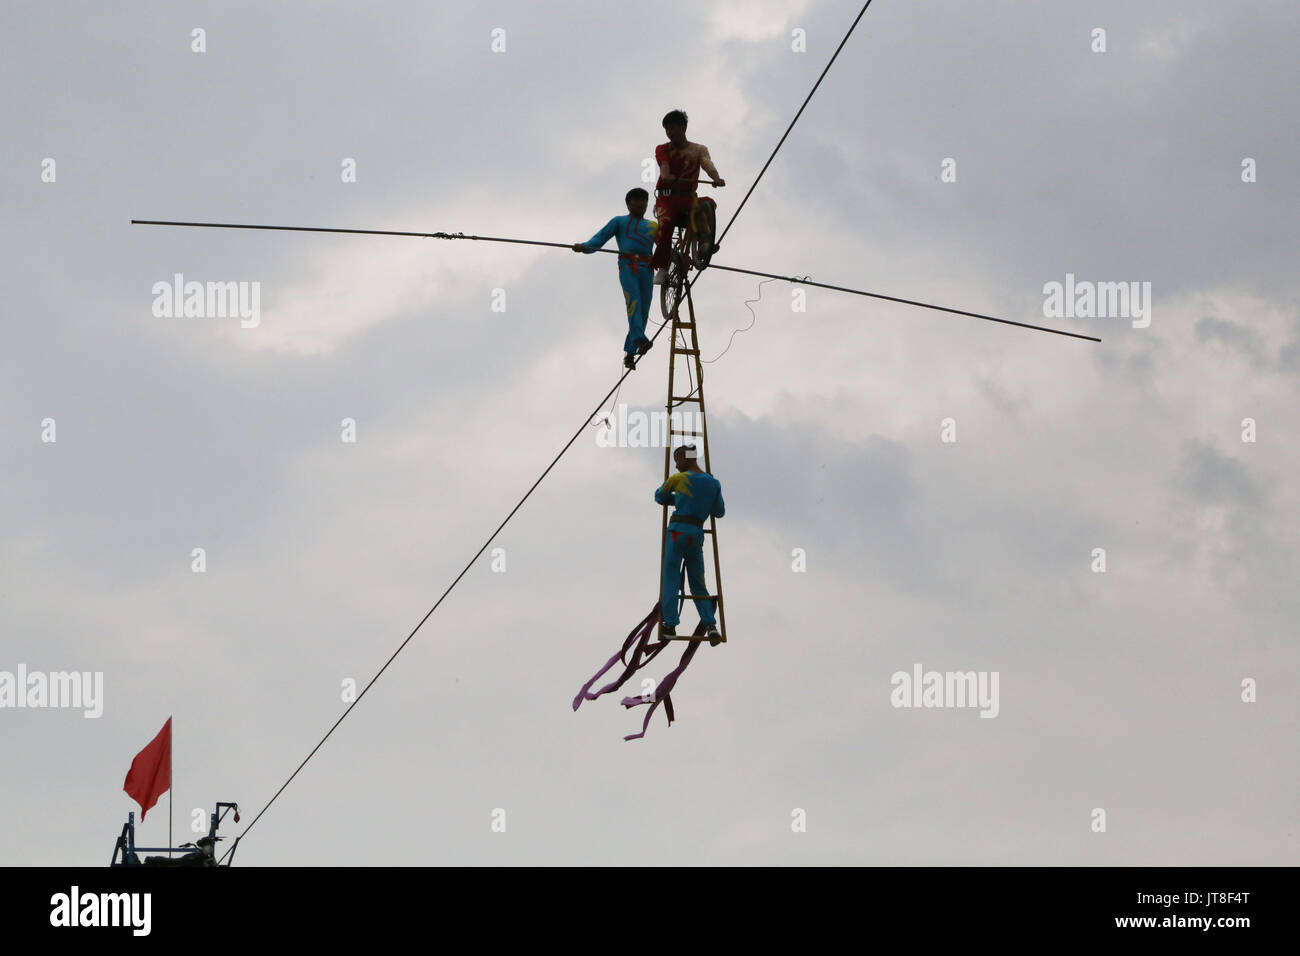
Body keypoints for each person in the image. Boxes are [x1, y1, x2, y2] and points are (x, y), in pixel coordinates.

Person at [573, 188, 658, 369]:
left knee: (644, 309)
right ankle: (640, 339)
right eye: (637, 201)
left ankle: (630, 352)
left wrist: (677, 256)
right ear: (628, 204)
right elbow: (599, 239)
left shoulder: (653, 226)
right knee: (633, 302)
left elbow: (664, 248)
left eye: (644, 201)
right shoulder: (619, 221)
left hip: (647, 268)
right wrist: (584, 247)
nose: (641, 204)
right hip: (628, 266)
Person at [654, 443, 724, 644]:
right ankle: (710, 624)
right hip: (696, 534)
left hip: (677, 532)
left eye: (677, 459)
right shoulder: (713, 483)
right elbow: (719, 512)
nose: (676, 465)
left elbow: (659, 496)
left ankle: (670, 623)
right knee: (698, 581)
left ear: (688, 457)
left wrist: (680, 500)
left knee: (671, 577)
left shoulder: (679, 478)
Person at [651, 109, 725, 285]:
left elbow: (707, 164)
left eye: (673, 128)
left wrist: (716, 178)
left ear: (683, 127)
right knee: (666, 224)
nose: (669, 133)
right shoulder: (663, 149)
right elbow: (664, 166)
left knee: (705, 206)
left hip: (687, 198)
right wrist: (667, 176)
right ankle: (662, 267)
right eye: (667, 129)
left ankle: (704, 246)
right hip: (667, 199)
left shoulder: (699, 149)